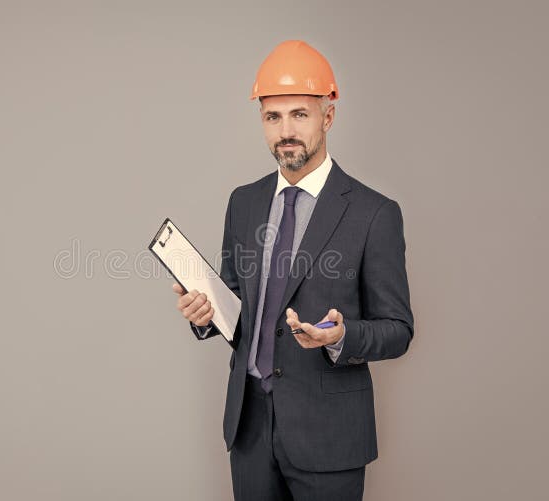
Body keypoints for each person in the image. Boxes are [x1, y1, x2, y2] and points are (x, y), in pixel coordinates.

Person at [172, 40, 414, 501]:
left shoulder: (374, 213)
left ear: (328, 116)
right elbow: (237, 303)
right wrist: (206, 314)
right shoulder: (243, 202)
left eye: (299, 114)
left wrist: (341, 338)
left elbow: (399, 329)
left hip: (329, 436)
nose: (286, 131)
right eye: (272, 117)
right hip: (250, 431)